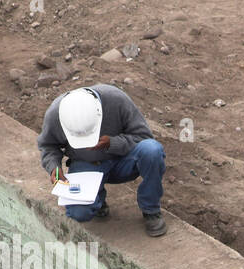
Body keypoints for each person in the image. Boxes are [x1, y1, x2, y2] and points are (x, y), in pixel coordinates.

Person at [37, 85, 167, 237]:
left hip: (123, 160)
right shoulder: (55, 114)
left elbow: (144, 137)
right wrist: (54, 167)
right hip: (86, 164)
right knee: (78, 213)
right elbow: (48, 145)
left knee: (152, 151)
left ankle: (150, 209)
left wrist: (113, 143)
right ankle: (97, 200)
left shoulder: (116, 100)